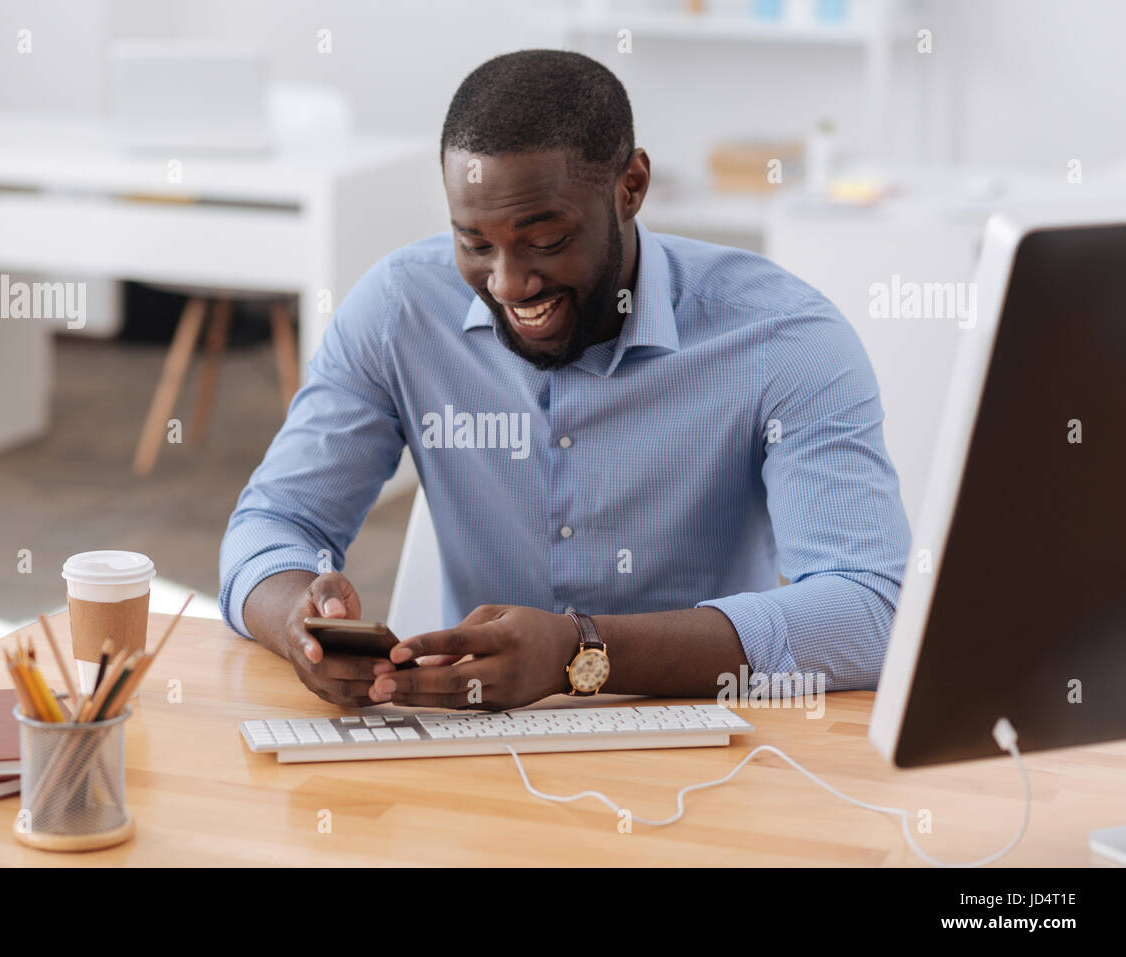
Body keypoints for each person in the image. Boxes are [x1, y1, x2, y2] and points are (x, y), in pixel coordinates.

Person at [219, 50, 911, 711]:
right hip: (468, 751)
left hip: (714, 747)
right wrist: (297, 622)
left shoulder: (782, 336)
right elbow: (276, 523)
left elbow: (871, 609)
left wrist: (582, 653)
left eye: (545, 241)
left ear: (631, 186)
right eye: (475, 243)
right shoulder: (401, 309)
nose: (510, 284)